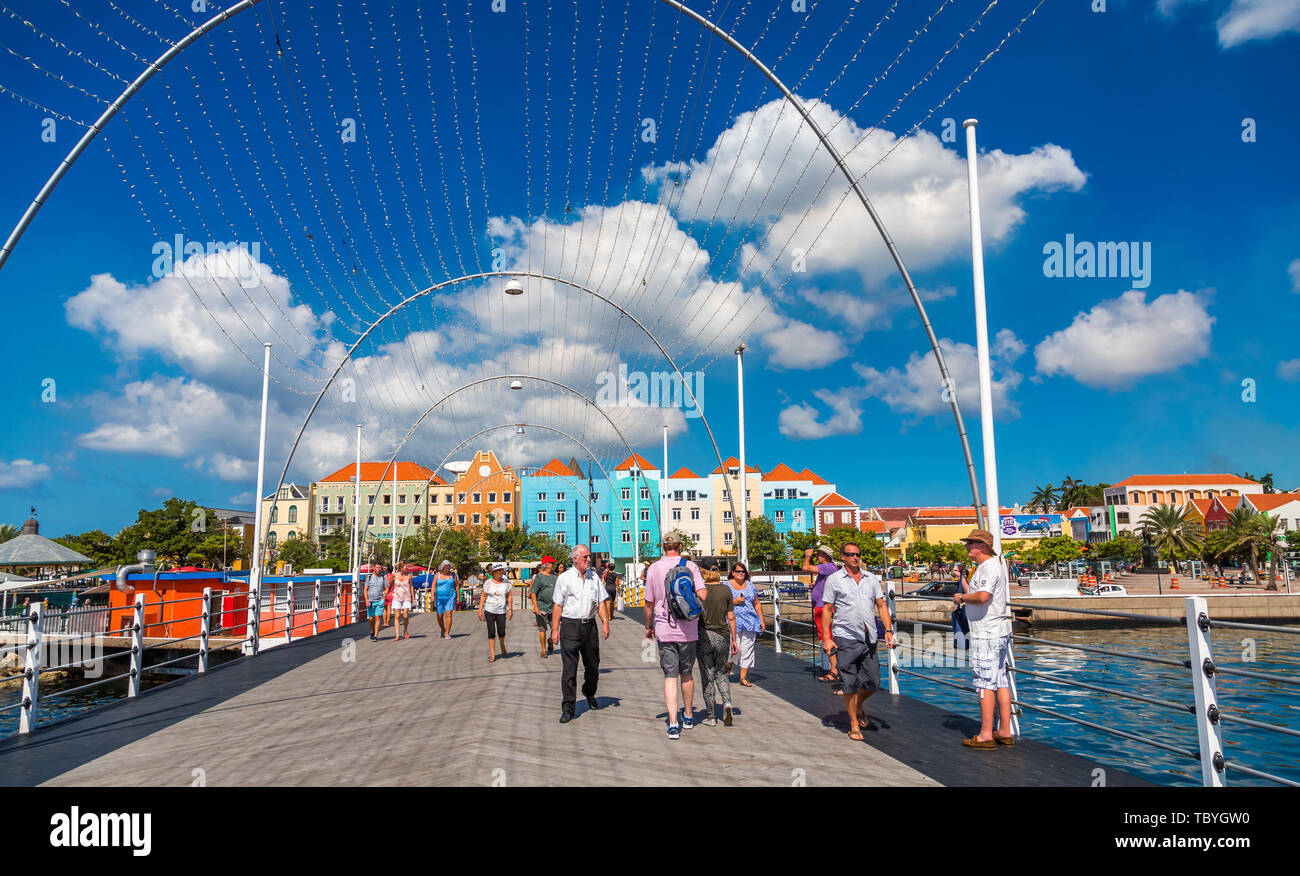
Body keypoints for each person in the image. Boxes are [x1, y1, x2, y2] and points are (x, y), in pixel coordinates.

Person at [821, 541, 895, 742]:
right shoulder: (835, 580)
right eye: (850, 554)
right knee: (850, 682)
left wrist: (888, 630)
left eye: (857, 554)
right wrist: (827, 639)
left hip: (869, 637)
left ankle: (858, 705)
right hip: (845, 637)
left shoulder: (871, 578)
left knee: (873, 682)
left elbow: (881, 605)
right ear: (843, 557)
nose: (855, 557)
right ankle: (854, 724)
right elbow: (827, 610)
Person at [643, 532, 708, 739]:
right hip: (688, 629)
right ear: (680, 547)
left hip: (664, 628)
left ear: (663, 547)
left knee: (670, 675)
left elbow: (648, 603)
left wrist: (648, 626)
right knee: (686, 673)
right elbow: (703, 594)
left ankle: (672, 723)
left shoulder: (653, 568)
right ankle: (688, 716)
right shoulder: (690, 567)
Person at [953, 529, 1014, 749]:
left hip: (986, 633)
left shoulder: (988, 567)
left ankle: (986, 734)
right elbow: (981, 592)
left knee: (984, 683)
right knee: (1000, 680)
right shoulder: (990, 566)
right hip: (997, 630)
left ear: (982, 545)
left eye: (969, 542)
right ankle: (1005, 731)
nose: (967, 546)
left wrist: (962, 597)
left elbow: (983, 596)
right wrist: (962, 582)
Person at [550, 545, 609, 722]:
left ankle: (589, 692)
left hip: (589, 626)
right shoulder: (564, 578)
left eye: (589, 556)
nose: (588, 560)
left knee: (593, 666)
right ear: (575, 558)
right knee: (569, 669)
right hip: (570, 626)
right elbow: (557, 605)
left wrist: (605, 623)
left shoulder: (594, 577)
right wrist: (555, 629)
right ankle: (568, 708)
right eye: (585, 557)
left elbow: (600, 602)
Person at [695, 567, 737, 726]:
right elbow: (731, 616)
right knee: (722, 673)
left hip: (704, 636)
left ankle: (711, 716)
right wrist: (734, 640)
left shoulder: (700, 591)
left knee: (708, 676)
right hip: (723, 636)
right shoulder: (726, 590)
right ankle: (727, 703)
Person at [802, 545, 840, 685]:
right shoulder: (827, 569)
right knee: (827, 636)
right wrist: (816, 587)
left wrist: (808, 556)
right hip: (820, 606)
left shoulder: (828, 566)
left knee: (827, 637)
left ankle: (834, 671)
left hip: (823, 608)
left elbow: (806, 568)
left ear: (824, 556)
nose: (817, 557)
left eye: (818, 555)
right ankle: (834, 669)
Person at [725, 562, 765, 687]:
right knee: (733, 649)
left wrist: (761, 620)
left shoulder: (750, 586)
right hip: (732, 622)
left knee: (747, 649)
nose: (741, 574)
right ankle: (726, 673)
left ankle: (743, 678)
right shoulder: (726, 586)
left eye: (743, 572)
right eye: (738, 571)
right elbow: (721, 603)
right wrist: (734, 602)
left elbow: (757, 603)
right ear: (732, 572)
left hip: (750, 621)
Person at [478, 562, 512, 662]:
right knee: (491, 631)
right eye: (498, 572)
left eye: (501, 571)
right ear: (493, 572)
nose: (500, 573)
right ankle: (493, 654)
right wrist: (480, 610)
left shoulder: (506, 581)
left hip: (501, 610)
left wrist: (510, 609)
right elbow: (483, 596)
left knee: (501, 632)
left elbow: (509, 596)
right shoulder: (488, 582)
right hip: (490, 610)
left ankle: (502, 645)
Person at [530, 556, 558, 658]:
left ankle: (550, 641)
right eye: (551, 563)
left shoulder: (554, 577)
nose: (553, 565)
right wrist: (535, 607)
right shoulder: (539, 577)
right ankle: (543, 650)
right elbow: (533, 593)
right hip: (541, 607)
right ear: (546, 565)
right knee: (542, 629)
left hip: (553, 607)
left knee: (555, 628)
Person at [432, 560, 458, 639]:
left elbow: (456, 585)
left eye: (449, 566)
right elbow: (433, 585)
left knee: (449, 614)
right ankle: (443, 629)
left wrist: (458, 596)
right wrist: (432, 596)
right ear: (443, 567)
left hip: (450, 596)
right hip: (439, 598)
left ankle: (447, 633)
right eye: (447, 566)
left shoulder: (453, 575)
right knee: (439, 616)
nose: (449, 568)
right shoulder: (437, 575)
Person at [390, 565, 414, 640]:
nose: (407, 568)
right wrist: (386, 592)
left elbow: (411, 587)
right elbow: (389, 585)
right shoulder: (394, 576)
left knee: (405, 616)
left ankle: (405, 630)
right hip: (397, 597)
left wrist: (413, 598)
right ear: (400, 568)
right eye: (405, 567)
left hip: (406, 597)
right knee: (397, 616)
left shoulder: (409, 576)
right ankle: (397, 634)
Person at [364, 565, 388, 641]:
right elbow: (365, 590)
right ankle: (372, 631)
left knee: (377, 617)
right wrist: (366, 600)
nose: (378, 569)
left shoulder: (383, 577)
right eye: (377, 567)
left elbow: (387, 587)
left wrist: (385, 592)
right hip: (370, 600)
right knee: (371, 618)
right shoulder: (369, 577)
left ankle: (376, 635)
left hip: (380, 600)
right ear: (374, 568)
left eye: (379, 568)